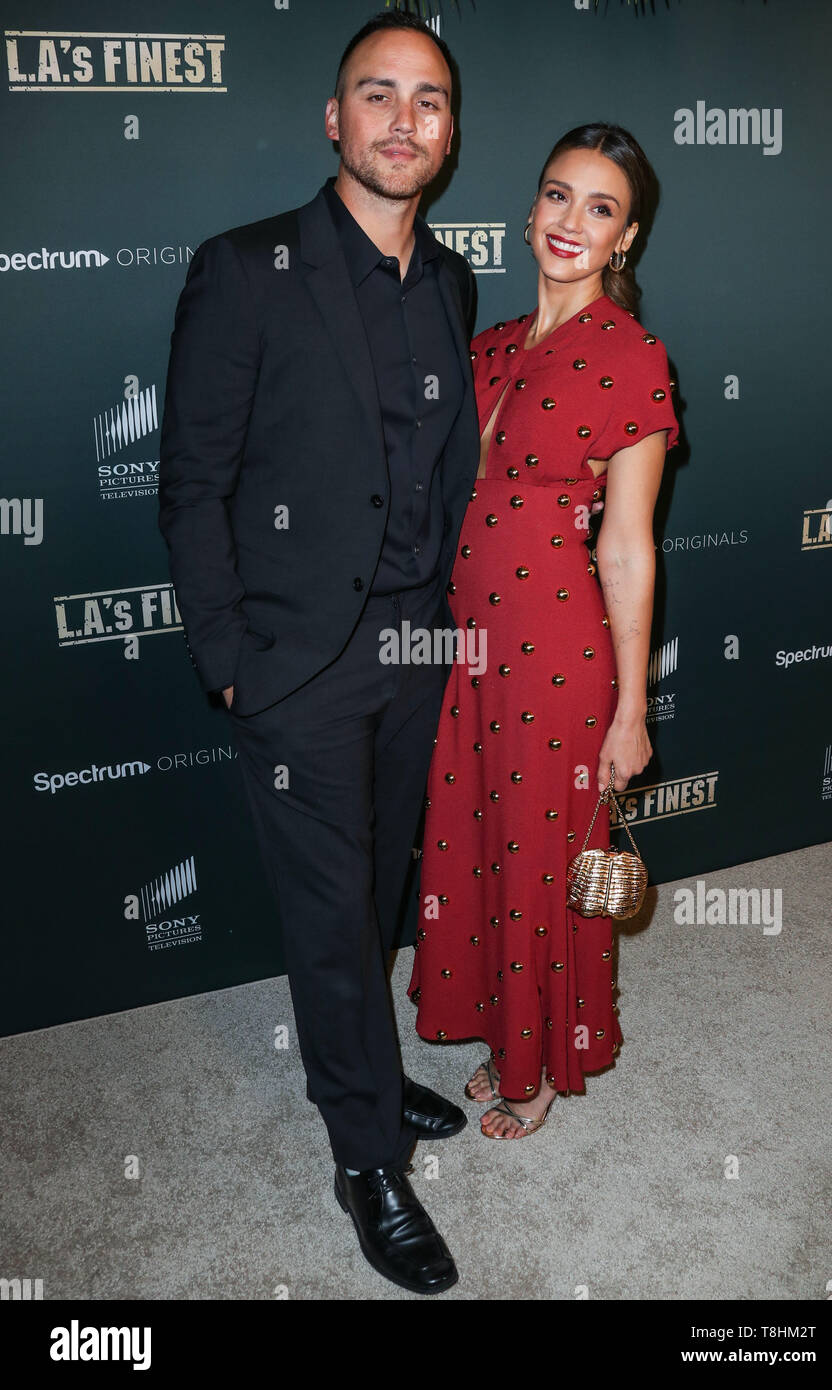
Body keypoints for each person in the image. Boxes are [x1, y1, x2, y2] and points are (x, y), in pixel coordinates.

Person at [157, 11, 482, 1294]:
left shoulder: (452, 282)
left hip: (418, 645)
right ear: (333, 120)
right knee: (322, 905)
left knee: (379, 891)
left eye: (430, 100)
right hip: (296, 662)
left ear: (450, 135)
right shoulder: (246, 268)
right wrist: (232, 655)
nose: (405, 120)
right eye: (378, 94)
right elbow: (191, 480)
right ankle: (365, 1158)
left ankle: (365, 1063)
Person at [408, 123, 680, 1139]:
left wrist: (628, 711)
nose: (571, 221)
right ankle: (495, 1033)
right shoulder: (480, 342)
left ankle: (535, 1067)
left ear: (625, 238)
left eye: (598, 208)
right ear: (528, 213)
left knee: (535, 865)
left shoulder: (633, 358)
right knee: (475, 850)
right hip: (460, 648)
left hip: (553, 653)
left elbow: (625, 550)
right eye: (557, 197)